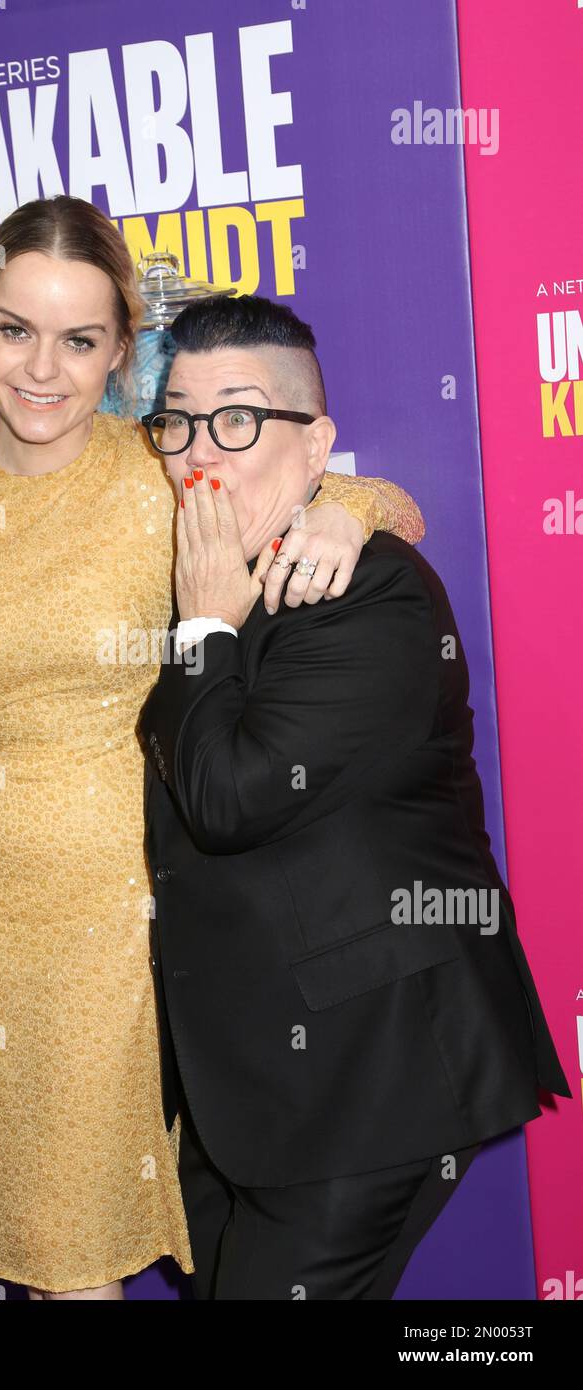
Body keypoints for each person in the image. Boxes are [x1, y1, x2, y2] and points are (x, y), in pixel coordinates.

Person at [0, 194, 425, 1301]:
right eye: (14, 329)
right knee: (39, 1251)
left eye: (80, 339)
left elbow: (375, 497)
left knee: (86, 1248)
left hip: (133, 905)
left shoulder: (160, 468)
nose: (43, 368)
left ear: (122, 350)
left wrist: (346, 514)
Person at [134, 293, 572, 1299]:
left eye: (238, 418)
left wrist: (203, 628)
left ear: (314, 441)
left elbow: (231, 797)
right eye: (178, 420)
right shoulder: (210, 557)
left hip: (370, 1074)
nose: (200, 451)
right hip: (237, 1075)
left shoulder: (364, 592)